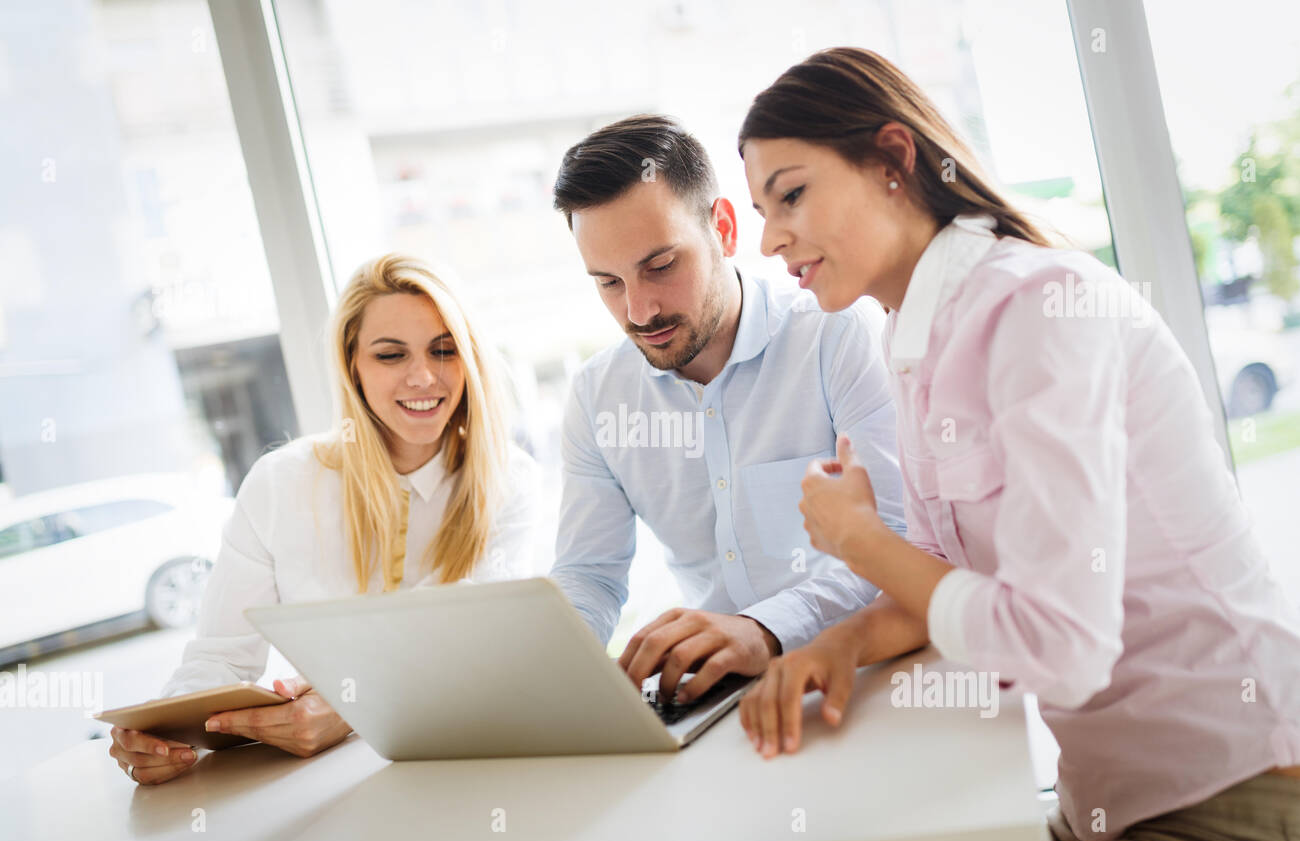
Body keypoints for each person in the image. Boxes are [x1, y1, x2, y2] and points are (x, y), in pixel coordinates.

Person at [735, 47, 1300, 841]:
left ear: (893, 158)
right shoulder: (918, 337)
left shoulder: (1038, 308)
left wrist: (858, 538)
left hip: (1244, 808)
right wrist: (843, 642)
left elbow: (1060, 650)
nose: (769, 237)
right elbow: (944, 569)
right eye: (761, 207)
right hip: (1108, 804)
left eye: (791, 193)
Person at [109, 254, 539, 785]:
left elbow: (477, 658)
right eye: (390, 354)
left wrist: (354, 706)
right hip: (319, 793)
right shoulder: (280, 483)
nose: (423, 375)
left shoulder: (510, 483)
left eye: (444, 350)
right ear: (353, 365)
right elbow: (219, 658)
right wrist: (164, 731)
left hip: (470, 773)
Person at [548, 114, 906, 704]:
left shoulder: (837, 335)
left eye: (660, 267)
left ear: (723, 228)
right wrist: (552, 670)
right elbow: (589, 575)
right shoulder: (597, 397)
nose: (639, 311)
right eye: (608, 282)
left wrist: (765, 628)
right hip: (717, 702)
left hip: (865, 679)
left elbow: (901, 540)